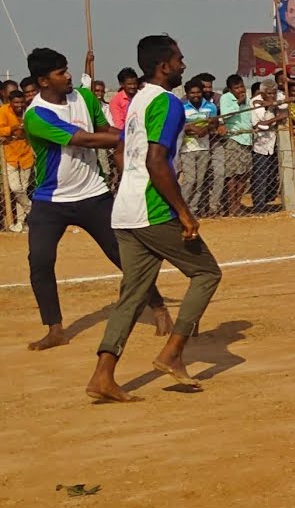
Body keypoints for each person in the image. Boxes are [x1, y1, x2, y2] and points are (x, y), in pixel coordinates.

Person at [86, 35, 223, 402]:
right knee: (207, 273)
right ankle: (173, 353)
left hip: (125, 209)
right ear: (164, 65)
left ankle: (103, 375)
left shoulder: (138, 100)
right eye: (179, 59)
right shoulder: (168, 102)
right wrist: (184, 212)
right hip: (154, 209)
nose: (183, 64)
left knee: (131, 296)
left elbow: (125, 151)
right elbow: (156, 161)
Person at [21, 47, 171, 350]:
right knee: (40, 261)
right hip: (50, 201)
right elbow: (84, 139)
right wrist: (132, 135)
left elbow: (102, 130)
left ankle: (158, 307)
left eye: (67, 69)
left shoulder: (84, 98)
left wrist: (140, 135)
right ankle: (55, 329)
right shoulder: (36, 115)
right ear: (43, 81)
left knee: (123, 255)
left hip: (93, 194)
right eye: (61, 72)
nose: (69, 76)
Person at [180, 79, 217, 215]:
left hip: (204, 147)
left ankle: (193, 210)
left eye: (198, 92)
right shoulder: (182, 109)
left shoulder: (210, 107)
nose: (196, 95)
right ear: (187, 94)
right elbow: (180, 127)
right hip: (187, 148)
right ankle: (182, 208)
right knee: (190, 180)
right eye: (192, 93)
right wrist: (193, 129)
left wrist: (206, 128)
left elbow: (214, 124)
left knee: (200, 181)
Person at [249, 78, 286, 212]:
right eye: (269, 93)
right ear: (262, 92)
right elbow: (262, 124)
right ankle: (258, 204)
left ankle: (267, 200)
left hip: (274, 143)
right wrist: (276, 117)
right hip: (260, 144)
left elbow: (285, 105)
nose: (272, 95)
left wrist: (270, 103)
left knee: (271, 174)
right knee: (260, 175)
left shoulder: (278, 96)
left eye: (273, 93)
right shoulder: (255, 101)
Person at [219, 75, 253, 215]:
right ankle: (232, 205)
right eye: (237, 88)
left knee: (244, 174)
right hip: (234, 139)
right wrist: (238, 102)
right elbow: (225, 116)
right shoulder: (226, 98)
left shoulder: (247, 98)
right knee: (232, 174)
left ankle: (238, 203)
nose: (240, 90)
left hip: (247, 139)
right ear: (231, 89)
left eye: (241, 86)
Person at [0, 87, 33, 232]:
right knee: (15, 188)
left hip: (26, 154)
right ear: (10, 102)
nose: (19, 105)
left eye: (21, 102)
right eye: (16, 102)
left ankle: (20, 222)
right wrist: (14, 128)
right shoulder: (3, 111)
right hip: (10, 155)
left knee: (24, 188)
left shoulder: (29, 112)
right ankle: (32, 210)